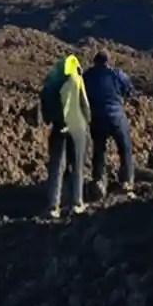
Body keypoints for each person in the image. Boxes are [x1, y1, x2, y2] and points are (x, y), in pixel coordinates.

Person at [38, 54, 92, 217]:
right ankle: (77, 203)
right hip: (78, 129)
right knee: (77, 166)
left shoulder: (52, 83)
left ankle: (53, 206)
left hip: (59, 128)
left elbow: (44, 106)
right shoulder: (77, 80)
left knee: (57, 168)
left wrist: (50, 120)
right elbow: (85, 105)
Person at [83, 50, 136, 198]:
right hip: (117, 118)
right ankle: (126, 181)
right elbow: (129, 91)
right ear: (108, 62)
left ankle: (99, 181)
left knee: (99, 151)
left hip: (97, 118)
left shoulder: (87, 76)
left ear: (95, 62)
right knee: (125, 148)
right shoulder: (117, 74)